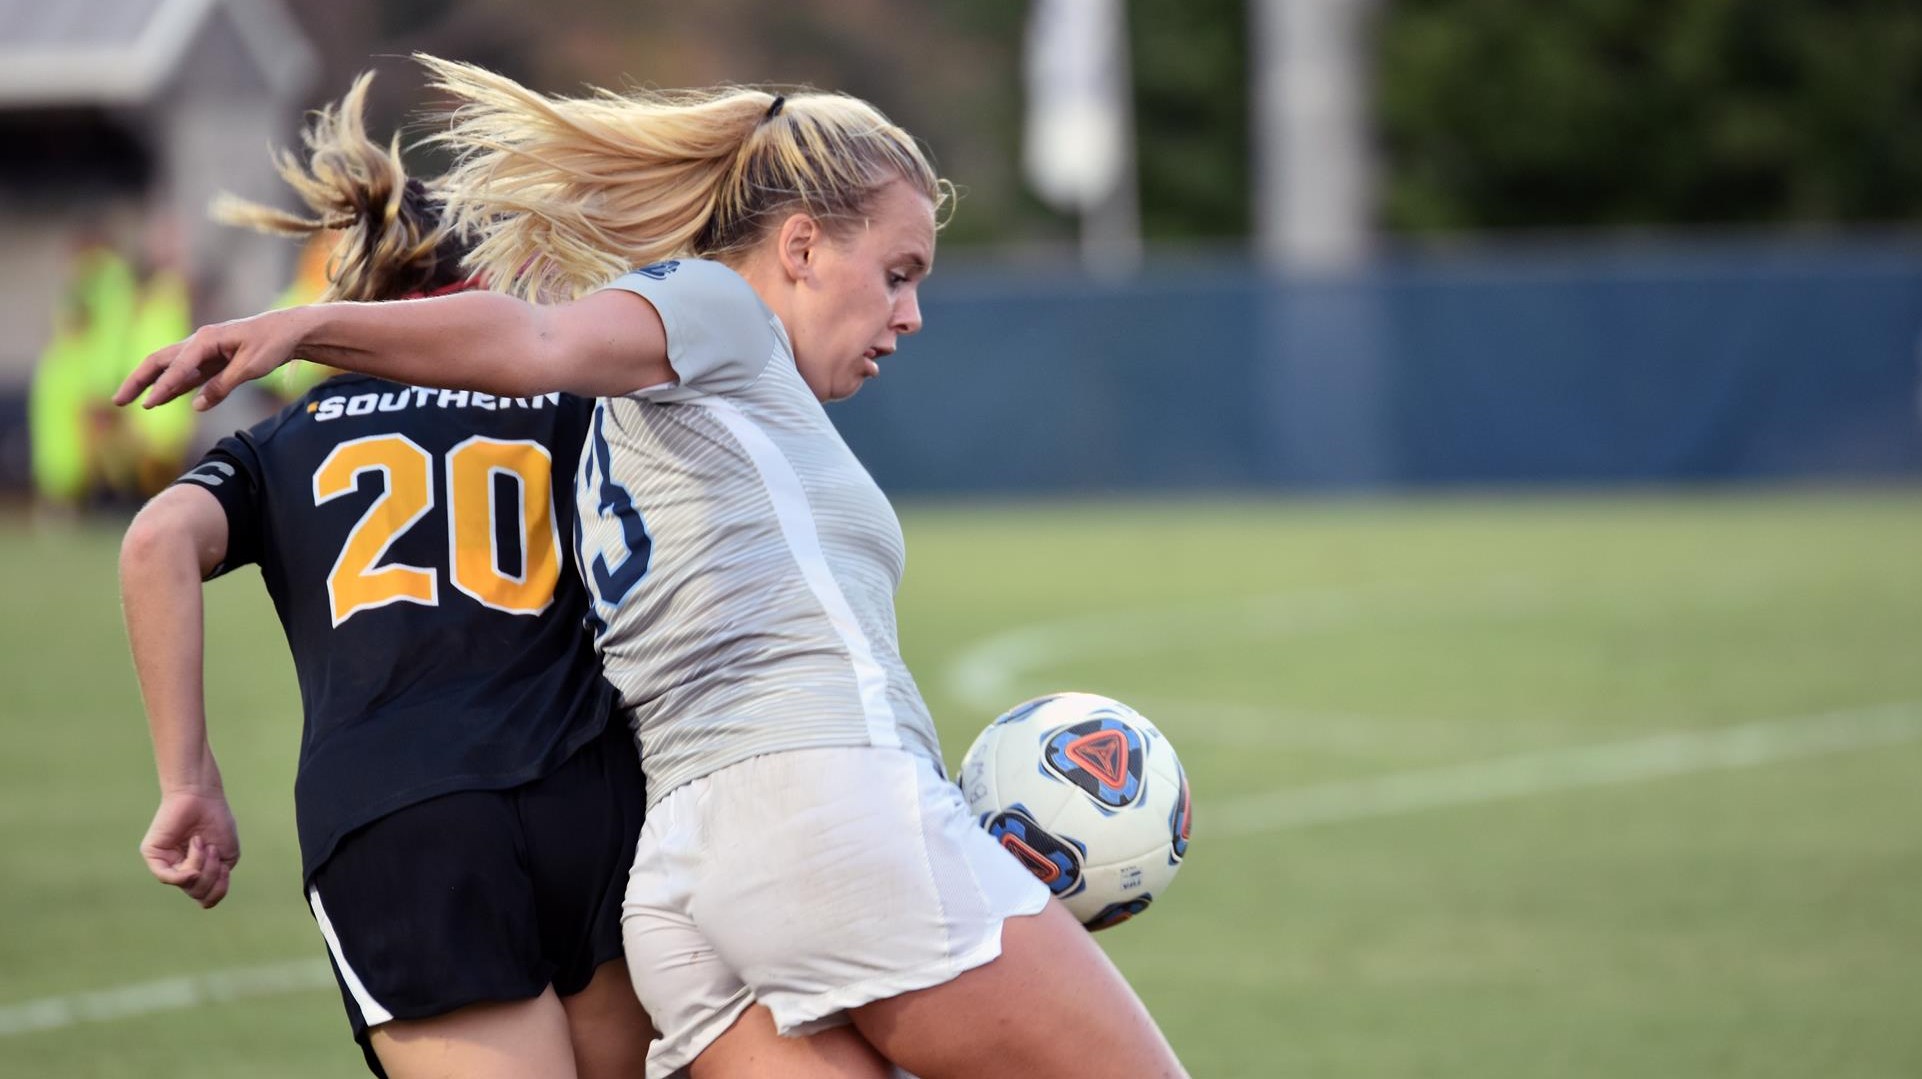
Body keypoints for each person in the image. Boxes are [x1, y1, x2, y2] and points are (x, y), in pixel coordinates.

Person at [119, 55, 1186, 1079]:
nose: (908, 314)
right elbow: (533, 341)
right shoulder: (716, 310)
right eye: (896, 273)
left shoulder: (658, 410)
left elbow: (532, 356)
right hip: (820, 803)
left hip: (679, 885)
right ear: (803, 244)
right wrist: (298, 325)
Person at [116, 73, 664, 1079]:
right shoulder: (567, 401)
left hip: (397, 811)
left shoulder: (292, 434)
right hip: (589, 789)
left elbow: (155, 543)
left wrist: (187, 781)